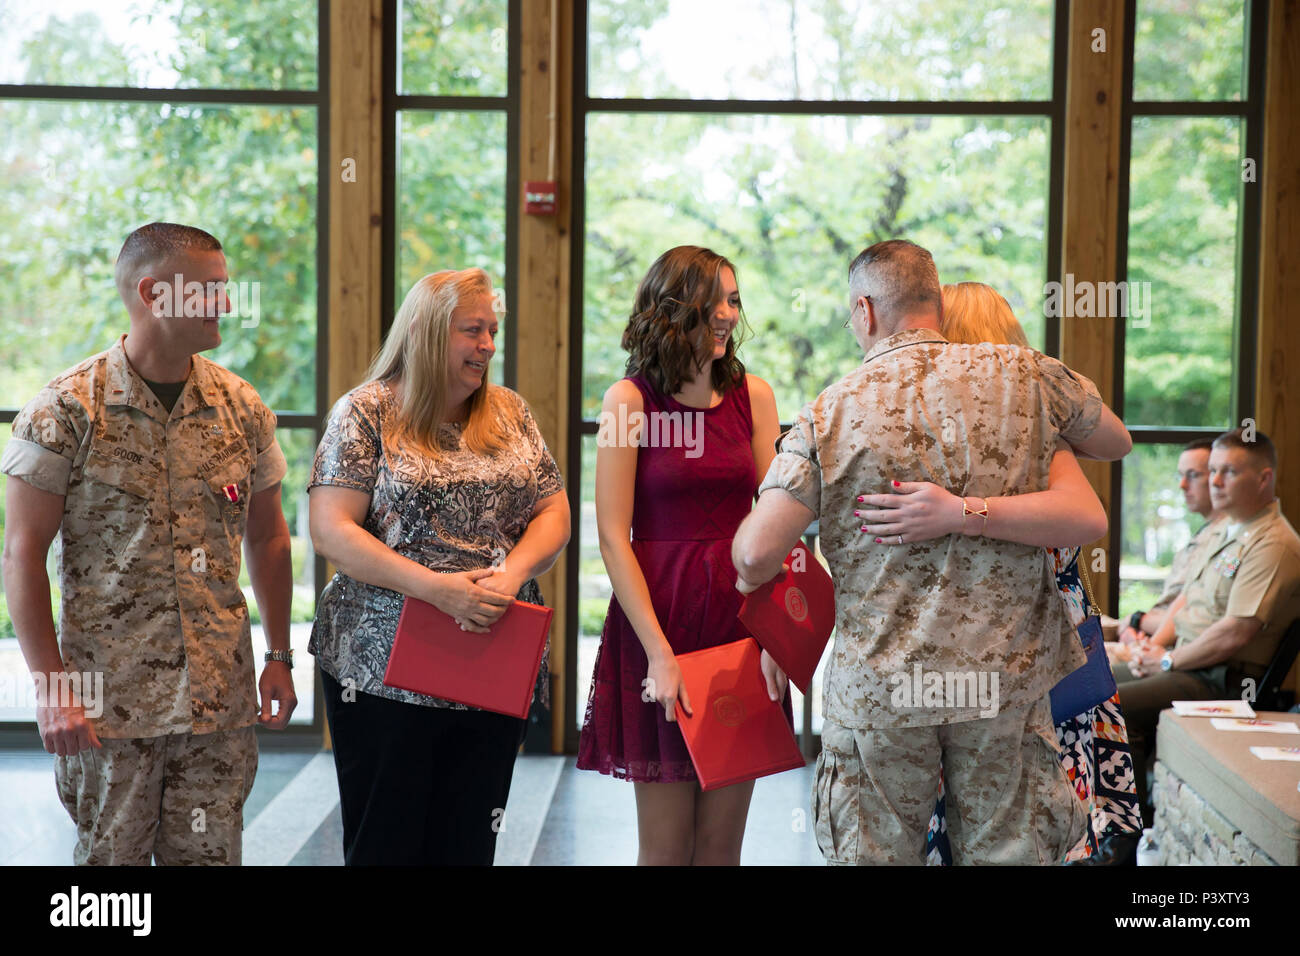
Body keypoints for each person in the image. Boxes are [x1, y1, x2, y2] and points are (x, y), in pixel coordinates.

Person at [732, 241, 1133, 865]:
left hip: (884, 690)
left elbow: (756, 555)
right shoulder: (1027, 377)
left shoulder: (831, 411)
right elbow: (1115, 441)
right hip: (1002, 682)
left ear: (865, 311)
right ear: (936, 303)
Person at [1, 222, 296, 865]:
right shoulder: (64, 410)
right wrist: (52, 690)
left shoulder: (242, 407)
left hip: (219, 703)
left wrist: (280, 654)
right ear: (155, 294)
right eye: (212, 289)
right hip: (112, 710)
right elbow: (22, 557)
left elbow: (269, 537)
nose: (227, 302)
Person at [855, 281, 1143, 864]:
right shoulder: (1036, 430)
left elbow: (1090, 505)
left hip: (943, 657)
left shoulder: (914, 430)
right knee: (1025, 831)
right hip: (1034, 654)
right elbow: (1114, 450)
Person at [308, 267, 569, 865]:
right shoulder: (366, 412)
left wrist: (511, 572)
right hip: (382, 668)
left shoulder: (510, 412)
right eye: (473, 330)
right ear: (425, 331)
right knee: (388, 844)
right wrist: (437, 590)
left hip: (492, 658)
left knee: (469, 843)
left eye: (493, 331)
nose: (488, 346)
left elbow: (553, 510)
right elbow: (331, 528)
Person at [575, 245, 786, 866]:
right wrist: (658, 654)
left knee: (720, 852)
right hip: (657, 625)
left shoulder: (756, 395)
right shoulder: (627, 402)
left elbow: (773, 522)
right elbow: (613, 534)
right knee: (665, 851)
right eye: (715, 299)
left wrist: (776, 636)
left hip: (737, 627)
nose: (728, 313)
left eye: (734, 299)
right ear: (674, 308)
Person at [1116, 427, 1300, 825]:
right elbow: (1186, 600)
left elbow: (1236, 631)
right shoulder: (1229, 531)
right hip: (1187, 663)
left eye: (1228, 472)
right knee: (1088, 680)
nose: (1214, 481)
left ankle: (1126, 833)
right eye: (1212, 470)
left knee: (1111, 706)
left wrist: (1168, 661)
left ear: (1264, 478)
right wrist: (1154, 650)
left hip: (1222, 678)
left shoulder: (1273, 543)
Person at [1107, 437, 1219, 661]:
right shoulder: (1203, 536)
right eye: (1180, 475)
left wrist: (1136, 623)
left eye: (1193, 475)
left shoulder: (1222, 544)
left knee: (1076, 666)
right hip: (1152, 636)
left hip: (1171, 651)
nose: (1182, 485)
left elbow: (1195, 618)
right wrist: (1132, 625)